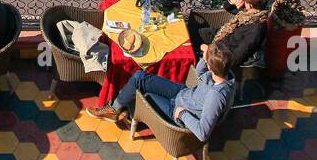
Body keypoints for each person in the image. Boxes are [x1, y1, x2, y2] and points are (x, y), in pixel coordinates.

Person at [87, 42, 235, 140]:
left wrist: (182, 114)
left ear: (212, 67)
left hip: (177, 111)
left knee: (145, 96)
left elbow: (203, 133)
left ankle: (130, 112)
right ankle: (115, 109)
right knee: (140, 77)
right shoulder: (222, 74)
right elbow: (201, 73)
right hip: (182, 93)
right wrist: (206, 58)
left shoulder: (216, 96)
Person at [204, 0, 269, 70]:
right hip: (221, 41)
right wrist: (232, 0)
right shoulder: (247, 13)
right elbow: (228, 7)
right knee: (199, 32)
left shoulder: (257, 28)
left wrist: (212, 56)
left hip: (223, 56)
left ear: (250, 5)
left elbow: (238, 56)